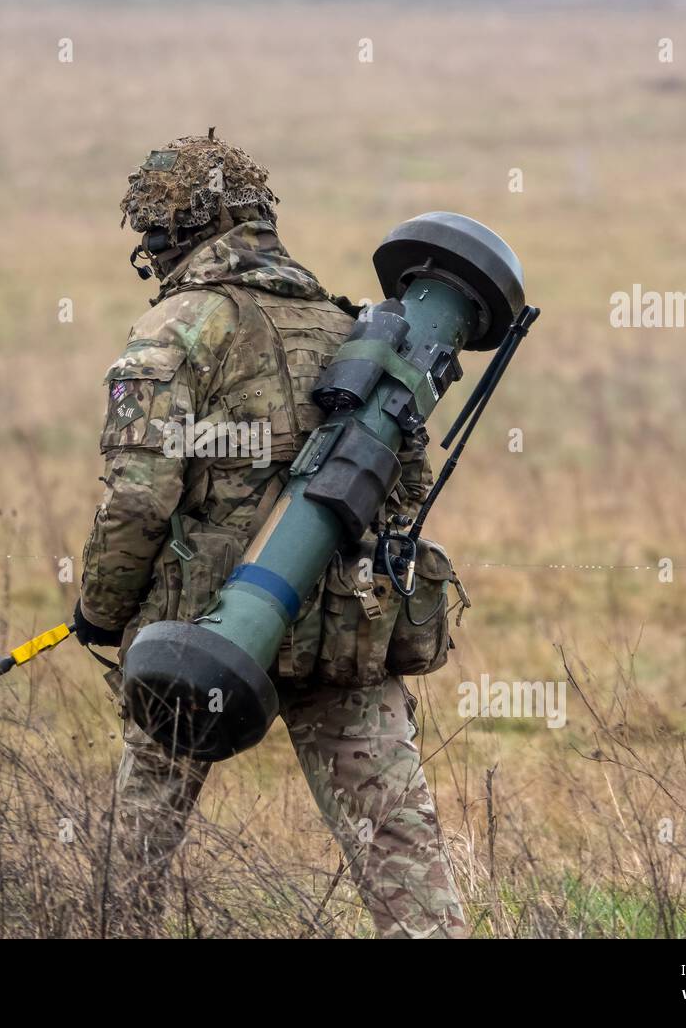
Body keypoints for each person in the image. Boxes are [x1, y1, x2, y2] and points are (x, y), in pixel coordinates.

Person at [75, 131, 469, 938]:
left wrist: (101, 612)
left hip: (199, 637)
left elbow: (139, 501)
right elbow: (406, 491)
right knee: (400, 851)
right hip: (338, 629)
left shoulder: (177, 327)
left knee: (136, 856)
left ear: (169, 232)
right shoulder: (349, 327)